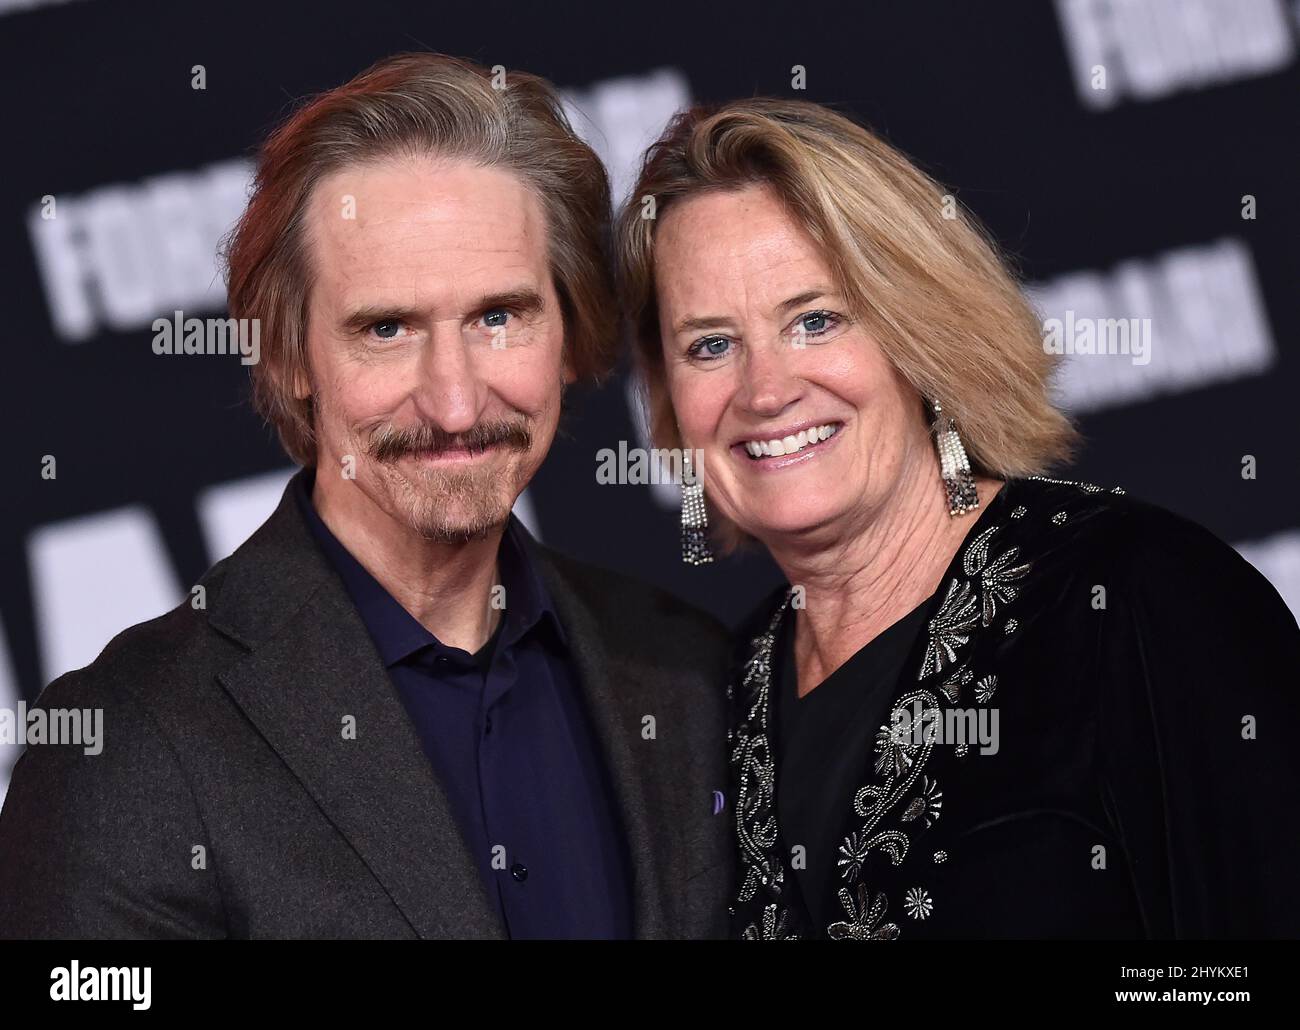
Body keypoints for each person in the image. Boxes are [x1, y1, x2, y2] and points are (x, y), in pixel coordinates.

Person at [0, 53, 731, 940]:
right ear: (288, 358)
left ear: (569, 329)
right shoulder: (126, 749)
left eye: (498, 317)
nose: (454, 403)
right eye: (386, 328)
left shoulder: (690, 674)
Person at [615, 97, 1300, 939]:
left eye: (815, 321)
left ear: (918, 332)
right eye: (710, 345)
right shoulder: (716, 700)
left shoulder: (1138, 600)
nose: (764, 391)